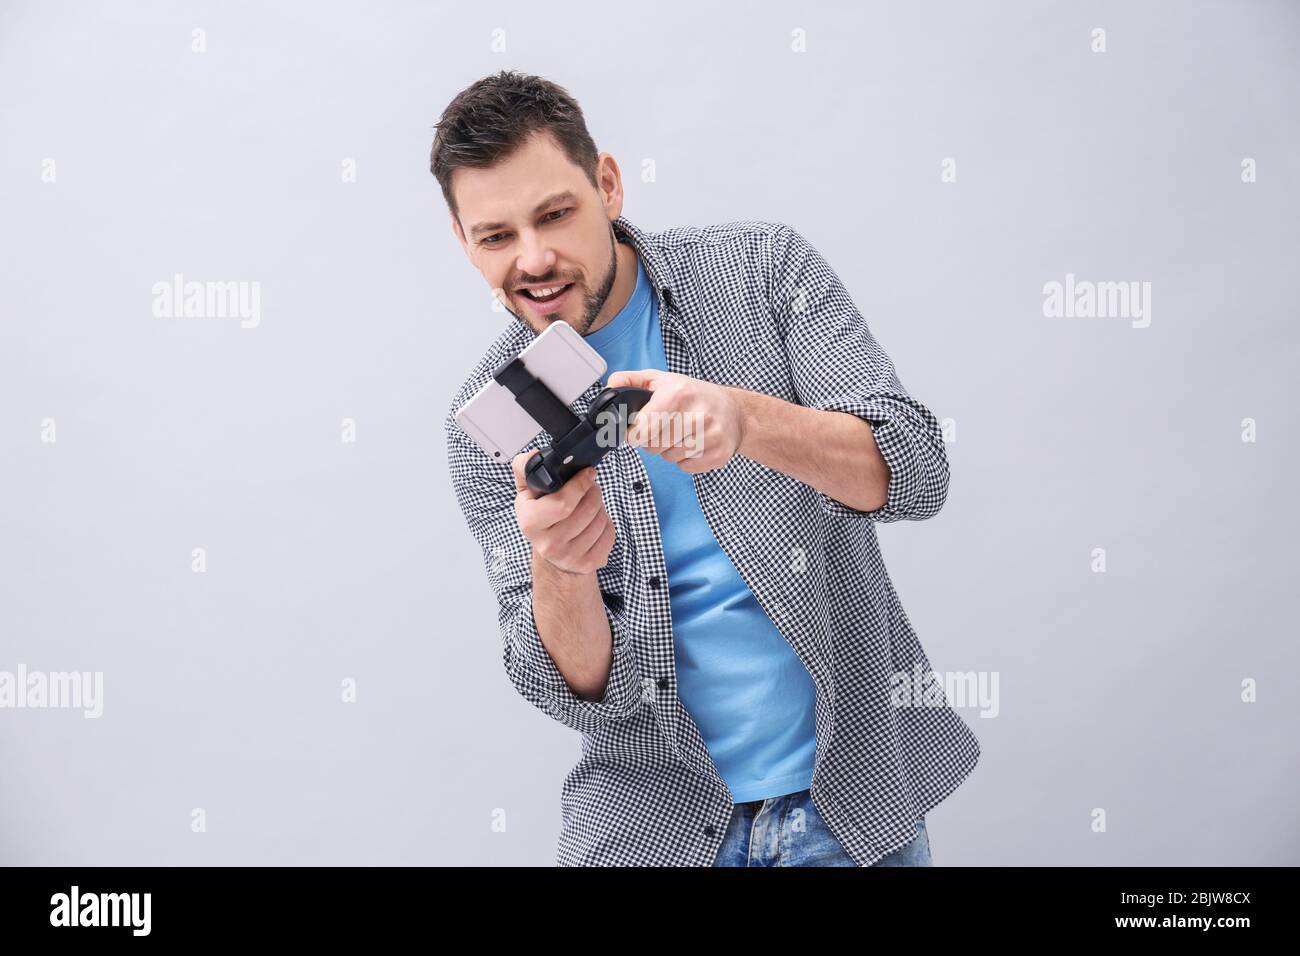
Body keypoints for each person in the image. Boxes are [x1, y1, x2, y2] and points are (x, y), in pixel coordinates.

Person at [438, 70, 979, 866]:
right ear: (464, 243)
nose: (534, 259)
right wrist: (560, 567)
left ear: (609, 185)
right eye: (495, 237)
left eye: (556, 214)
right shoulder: (489, 425)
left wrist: (749, 420)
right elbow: (574, 690)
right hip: (651, 832)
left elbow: (916, 471)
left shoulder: (763, 272)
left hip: (846, 802)